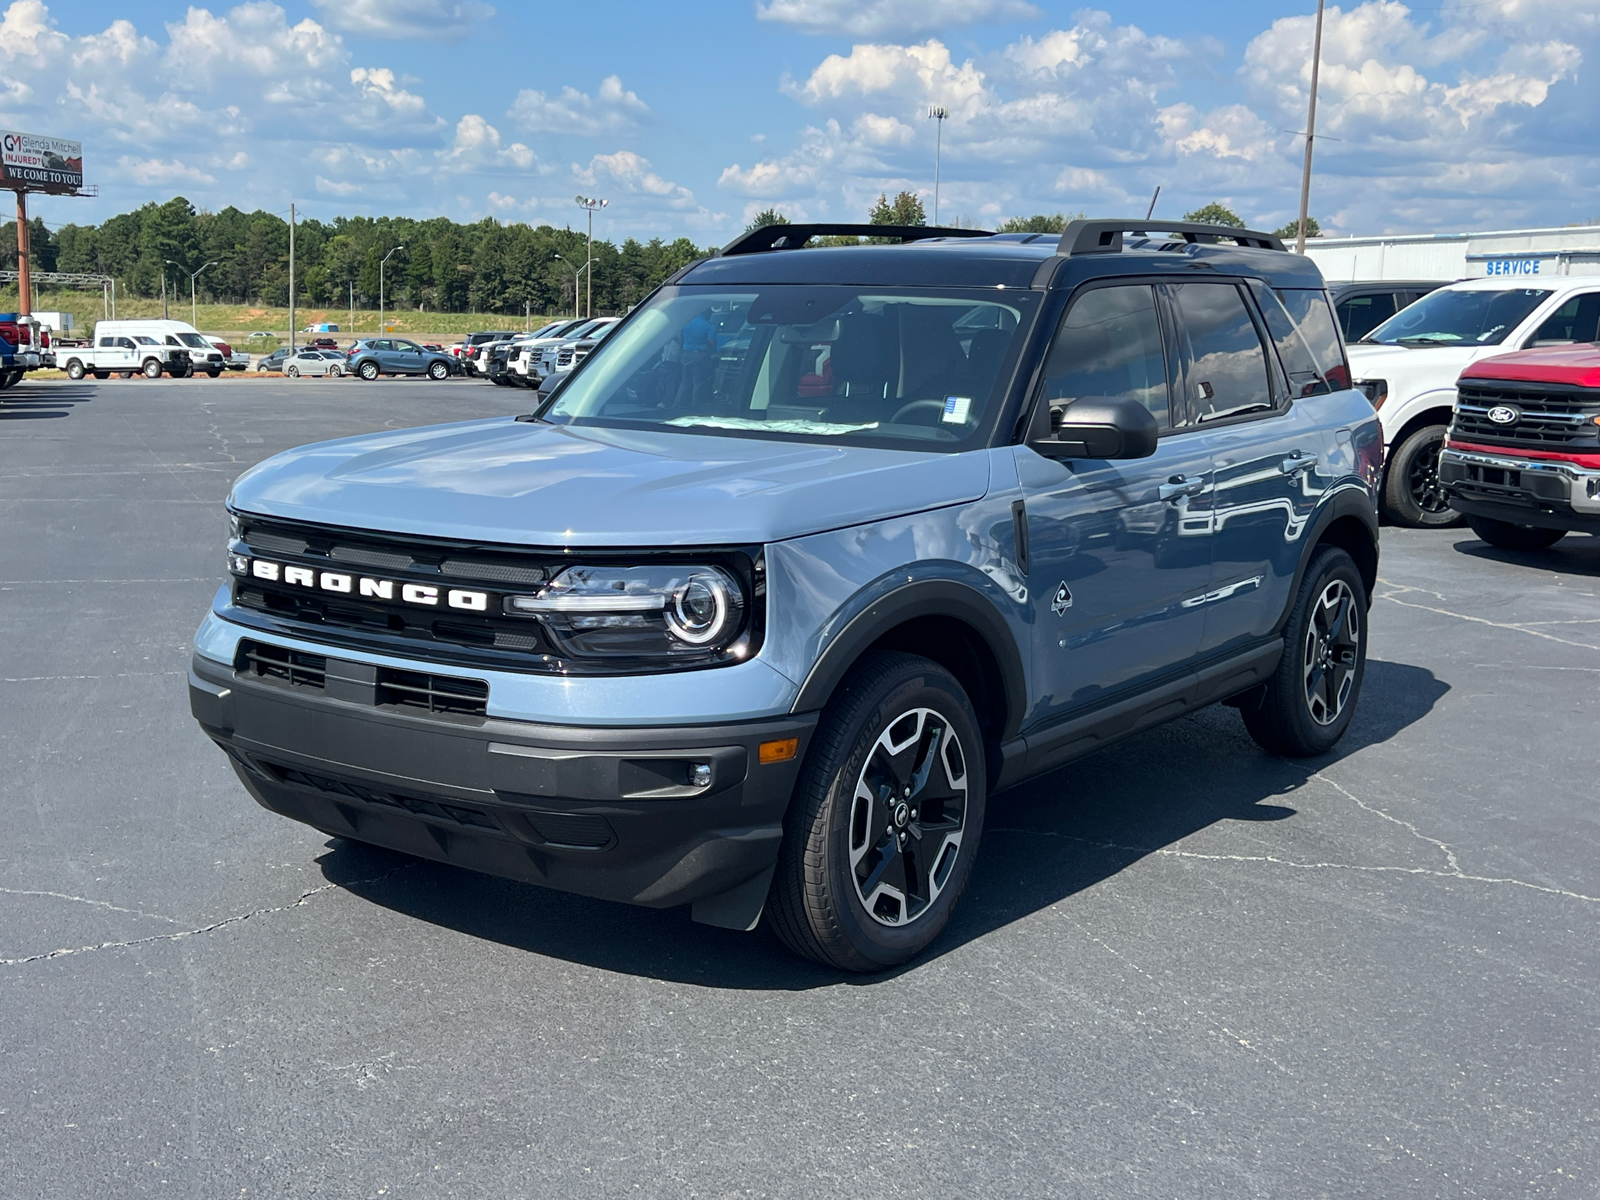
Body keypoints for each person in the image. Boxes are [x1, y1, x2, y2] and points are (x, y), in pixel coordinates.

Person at [674, 307, 716, 410]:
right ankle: (695, 406)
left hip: (686, 354)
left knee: (685, 381)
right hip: (699, 356)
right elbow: (712, 341)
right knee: (698, 382)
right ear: (708, 314)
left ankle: (677, 403)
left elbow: (680, 338)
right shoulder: (709, 326)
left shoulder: (687, 323)